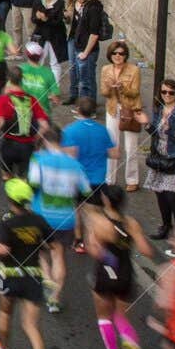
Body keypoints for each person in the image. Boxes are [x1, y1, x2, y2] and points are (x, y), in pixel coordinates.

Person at [83, 185, 152, 349]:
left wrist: (94, 240)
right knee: (121, 316)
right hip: (126, 273)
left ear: (106, 201)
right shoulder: (131, 223)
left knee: (104, 316)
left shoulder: (98, 222)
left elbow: (94, 251)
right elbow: (147, 251)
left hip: (105, 273)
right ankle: (131, 342)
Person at [0, 178, 52, 349]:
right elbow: (51, 244)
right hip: (33, 276)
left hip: (10, 276)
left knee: (5, 312)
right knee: (31, 325)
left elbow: (3, 250)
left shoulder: (7, 222)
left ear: (10, 200)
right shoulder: (39, 220)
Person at [27, 140, 90, 313]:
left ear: (45, 143)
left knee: (39, 252)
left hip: (41, 216)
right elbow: (85, 191)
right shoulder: (75, 164)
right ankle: (54, 299)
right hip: (65, 219)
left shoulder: (38, 159)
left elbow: (32, 185)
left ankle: (46, 277)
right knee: (59, 255)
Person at [61, 97, 114, 248]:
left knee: (76, 209)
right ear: (93, 112)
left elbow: (70, 154)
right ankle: (95, 240)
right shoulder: (103, 130)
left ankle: (79, 241)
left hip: (77, 178)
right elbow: (114, 153)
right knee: (94, 213)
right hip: (98, 178)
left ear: (78, 110)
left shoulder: (70, 130)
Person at [144, 78, 175, 239]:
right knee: (160, 194)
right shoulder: (159, 108)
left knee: (173, 197)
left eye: (171, 92)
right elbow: (156, 134)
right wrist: (147, 125)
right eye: (164, 92)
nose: (167, 95)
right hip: (159, 155)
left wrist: (169, 129)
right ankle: (166, 225)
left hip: (174, 157)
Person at [0, 65, 51, 176]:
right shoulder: (31, 99)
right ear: (22, 80)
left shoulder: (4, 100)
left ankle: (10, 189)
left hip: (9, 145)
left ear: (9, 79)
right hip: (28, 146)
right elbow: (45, 125)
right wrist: (36, 138)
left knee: (6, 175)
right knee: (24, 177)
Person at [99, 41, 144, 190]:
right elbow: (103, 92)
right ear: (110, 55)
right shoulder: (106, 69)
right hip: (112, 108)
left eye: (121, 53)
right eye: (115, 53)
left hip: (130, 109)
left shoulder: (134, 70)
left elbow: (135, 92)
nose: (118, 56)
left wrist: (122, 87)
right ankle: (109, 178)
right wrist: (110, 88)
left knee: (131, 146)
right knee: (112, 143)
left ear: (125, 55)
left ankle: (132, 180)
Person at [66, 0, 105, 102]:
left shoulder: (93, 8)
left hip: (87, 49)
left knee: (86, 81)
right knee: (82, 78)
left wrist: (86, 52)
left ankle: (88, 108)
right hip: (78, 46)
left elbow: (94, 34)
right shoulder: (77, 5)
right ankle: (83, 105)